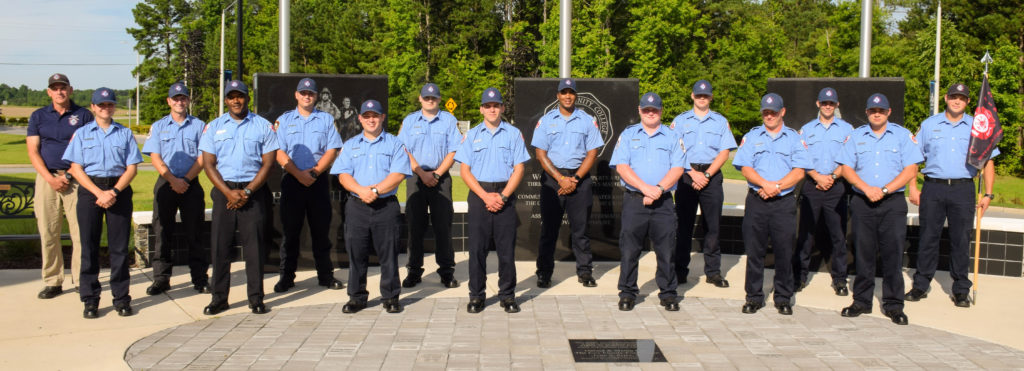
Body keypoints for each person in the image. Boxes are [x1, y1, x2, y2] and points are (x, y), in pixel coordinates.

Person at [907, 83, 998, 308]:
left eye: (962, 98)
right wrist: (913, 188)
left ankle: (960, 289)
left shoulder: (978, 127)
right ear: (946, 98)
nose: (957, 101)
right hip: (933, 188)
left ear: (968, 102)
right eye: (953, 97)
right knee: (928, 237)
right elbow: (913, 158)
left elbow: (988, 161)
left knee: (960, 240)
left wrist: (988, 194)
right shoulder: (929, 125)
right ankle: (920, 285)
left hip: (963, 189)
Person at [837, 93, 922, 325]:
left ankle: (894, 304)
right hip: (863, 201)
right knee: (863, 253)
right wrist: (866, 189)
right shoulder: (855, 136)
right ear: (867, 112)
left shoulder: (903, 136)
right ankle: (862, 301)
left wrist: (883, 190)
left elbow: (910, 169)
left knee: (893, 254)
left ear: (888, 112)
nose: (877, 113)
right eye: (873, 110)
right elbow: (846, 168)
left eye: (881, 110)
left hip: (891, 203)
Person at [199, 80, 279, 315]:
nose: (236, 100)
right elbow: (208, 163)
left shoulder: (263, 126)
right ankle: (219, 298)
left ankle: (255, 298)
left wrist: (246, 192)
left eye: (240, 96)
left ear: (247, 98)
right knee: (220, 248)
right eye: (231, 96)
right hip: (224, 192)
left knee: (254, 249)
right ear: (226, 100)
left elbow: (269, 163)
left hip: (252, 193)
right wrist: (227, 192)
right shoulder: (213, 127)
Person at [62, 87, 143, 318]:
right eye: (101, 105)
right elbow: (75, 169)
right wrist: (99, 192)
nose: (106, 108)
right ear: (93, 107)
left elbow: (132, 167)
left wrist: (114, 191)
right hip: (90, 191)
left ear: (113, 107)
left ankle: (121, 298)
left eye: (109, 104)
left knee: (119, 249)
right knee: (89, 247)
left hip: (119, 189)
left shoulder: (124, 133)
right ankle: (90, 299)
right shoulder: (82, 133)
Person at [732, 93, 811, 315]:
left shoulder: (795, 138)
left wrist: (776, 187)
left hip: (783, 202)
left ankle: (783, 297)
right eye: (766, 112)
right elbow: (745, 167)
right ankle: (754, 297)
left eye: (773, 112)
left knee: (784, 251)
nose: (769, 116)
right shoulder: (752, 136)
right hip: (757, 200)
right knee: (754, 251)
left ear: (782, 112)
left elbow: (799, 171)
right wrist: (764, 185)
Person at [330, 99, 411, 314]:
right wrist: (360, 190)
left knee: (389, 255)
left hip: (386, 206)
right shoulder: (350, 145)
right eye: (367, 116)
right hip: (357, 206)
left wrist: (374, 191)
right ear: (360, 119)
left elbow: (398, 174)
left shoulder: (395, 144)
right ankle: (357, 297)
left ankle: (391, 296)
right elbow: (343, 175)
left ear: (382, 117)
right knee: (357, 254)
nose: (371, 120)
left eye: (375, 116)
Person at [454, 87, 530, 313]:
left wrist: (504, 195)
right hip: (480, 195)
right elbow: (465, 171)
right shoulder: (472, 135)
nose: (492, 109)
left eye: (496, 105)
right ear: (481, 109)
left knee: (506, 250)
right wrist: (485, 195)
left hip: (504, 193)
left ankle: (507, 295)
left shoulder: (514, 134)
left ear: (502, 108)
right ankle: (476, 296)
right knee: (477, 250)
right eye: (488, 106)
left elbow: (519, 168)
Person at [608, 92, 685, 312]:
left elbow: (678, 168)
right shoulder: (628, 134)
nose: (650, 113)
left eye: (655, 109)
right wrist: (645, 189)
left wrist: (658, 190)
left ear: (661, 111)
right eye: (646, 109)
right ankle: (627, 292)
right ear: (640, 111)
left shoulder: (672, 137)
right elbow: (622, 166)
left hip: (663, 203)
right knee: (630, 250)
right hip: (635, 201)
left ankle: (668, 293)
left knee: (667, 250)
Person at [272, 78, 345, 293]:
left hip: (318, 180)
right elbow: (279, 151)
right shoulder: (284, 121)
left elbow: (332, 149)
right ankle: (286, 277)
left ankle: (325, 276)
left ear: (315, 96)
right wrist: (297, 173)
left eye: (311, 93)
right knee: (290, 232)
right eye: (303, 93)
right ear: (296, 95)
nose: (307, 96)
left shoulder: (326, 120)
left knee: (321, 231)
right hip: (292, 181)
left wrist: (313, 172)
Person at [532, 78, 603, 288]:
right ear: (558, 95)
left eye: (571, 92)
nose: (568, 96)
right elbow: (540, 154)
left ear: (576, 95)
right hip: (553, 181)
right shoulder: (546, 121)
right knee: (549, 231)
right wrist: (561, 179)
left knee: (580, 231)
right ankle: (544, 273)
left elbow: (592, 153)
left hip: (579, 179)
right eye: (564, 92)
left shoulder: (587, 120)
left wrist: (576, 179)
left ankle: (585, 272)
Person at [26, 73, 92, 299]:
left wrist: (72, 174)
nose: (59, 92)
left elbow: (89, 148)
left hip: (77, 179)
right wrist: (51, 178)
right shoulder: (38, 116)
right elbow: (33, 151)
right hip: (47, 179)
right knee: (48, 231)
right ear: (49, 92)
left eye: (63, 87)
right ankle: (53, 281)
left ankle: (80, 279)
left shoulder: (83, 115)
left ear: (70, 90)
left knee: (80, 233)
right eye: (55, 88)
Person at [141, 82, 210, 296]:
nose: (180, 101)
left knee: (195, 233)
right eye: (176, 98)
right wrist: (172, 179)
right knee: (162, 232)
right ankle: (161, 279)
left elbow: (204, 156)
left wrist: (186, 180)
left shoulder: (199, 126)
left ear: (188, 100)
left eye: (183, 98)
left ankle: (199, 278)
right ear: (169, 101)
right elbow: (155, 156)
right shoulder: (159, 126)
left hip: (191, 183)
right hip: (165, 183)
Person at [397, 83, 463, 289]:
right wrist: (421, 173)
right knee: (415, 227)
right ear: (420, 99)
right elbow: (404, 150)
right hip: (416, 178)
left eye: (433, 98)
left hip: (440, 178)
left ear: (439, 99)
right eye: (426, 98)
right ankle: (414, 272)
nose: (430, 100)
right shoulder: (409, 121)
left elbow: (454, 150)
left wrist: (435, 174)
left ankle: (446, 272)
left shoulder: (449, 120)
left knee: (443, 227)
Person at [670, 80, 735, 288]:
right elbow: (675, 150)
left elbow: (725, 152)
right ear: (692, 96)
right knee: (684, 226)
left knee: (713, 226)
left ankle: (713, 272)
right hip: (686, 174)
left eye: (705, 96)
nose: (702, 98)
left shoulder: (720, 121)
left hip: (711, 175)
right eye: (699, 95)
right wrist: (692, 172)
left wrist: (706, 175)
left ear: (711, 97)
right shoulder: (680, 121)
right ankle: (680, 271)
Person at [794, 87, 854, 296]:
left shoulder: (847, 130)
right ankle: (799, 277)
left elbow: (849, 158)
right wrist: (818, 177)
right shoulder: (807, 129)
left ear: (836, 105)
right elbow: (801, 157)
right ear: (818, 104)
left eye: (831, 103)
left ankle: (839, 279)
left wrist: (833, 177)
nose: (828, 106)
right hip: (812, 185)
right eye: (824, 103)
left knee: (838, 235)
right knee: (806, 234)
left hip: (836, 186)